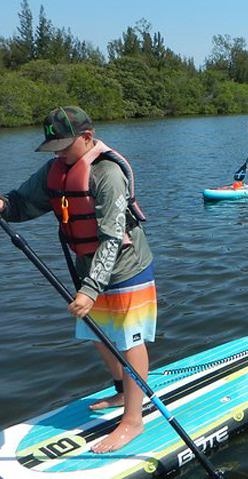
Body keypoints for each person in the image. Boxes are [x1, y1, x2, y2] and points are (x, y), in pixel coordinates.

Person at [0, 106, 156, 454]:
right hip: (89, 267)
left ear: (87, 137)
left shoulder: (107, 173)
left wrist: (89, 290)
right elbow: (24, 202)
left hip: (126, 266)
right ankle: (121, 391)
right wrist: (3, 205)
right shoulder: (56, 169)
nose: (58, 153)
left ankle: (133, 419)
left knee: (130, 339)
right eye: (53, 146)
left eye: (64, 145)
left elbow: (113, 237)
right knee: (98, 335)